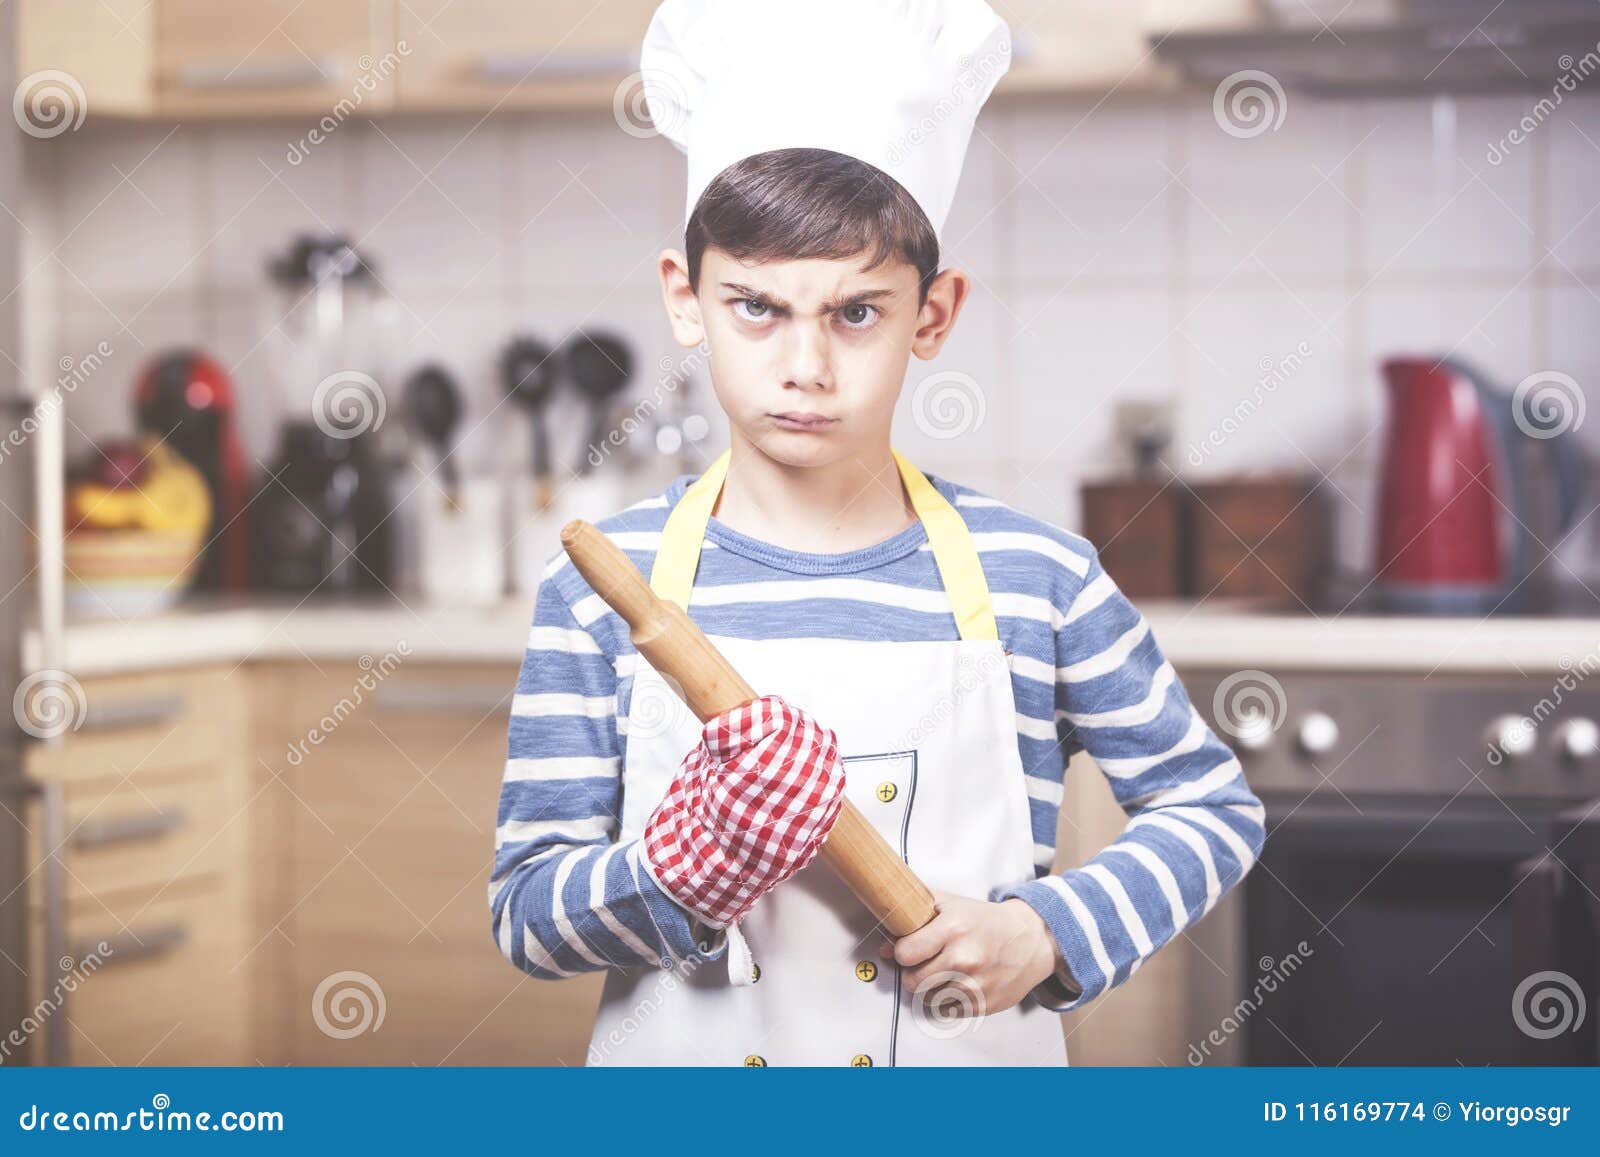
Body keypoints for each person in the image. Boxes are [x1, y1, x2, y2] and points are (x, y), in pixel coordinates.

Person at [488, 0, 1265, 1067]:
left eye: (856, 312)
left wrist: (1044, 931)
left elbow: (1210, 807)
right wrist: (686, 865)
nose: (804, 365)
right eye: (755, 306)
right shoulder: (599, 590)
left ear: (932, 314)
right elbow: (527, 913)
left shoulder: (1037, 579)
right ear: (685, 297)